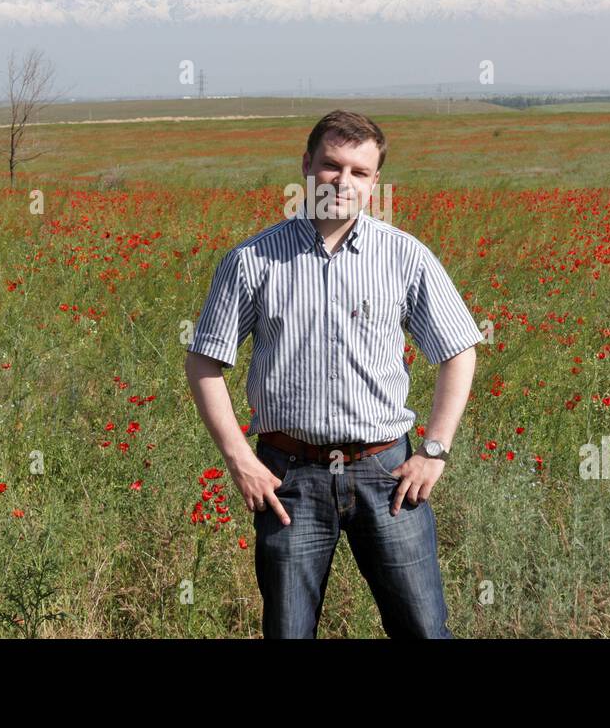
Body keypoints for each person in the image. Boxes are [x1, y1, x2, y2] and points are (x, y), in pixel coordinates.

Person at [184, 109, 482, 638]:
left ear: (375, 182)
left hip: (387, 474)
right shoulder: (254, 260)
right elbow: (204, 360)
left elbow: (459, 350)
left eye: (360, 172)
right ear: (306, 165)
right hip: (288, 479)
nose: (343, 182)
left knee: (423, 630)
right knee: (289, 631)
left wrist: (433, 450)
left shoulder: (403, 256)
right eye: (331, 165)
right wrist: (240, 461)